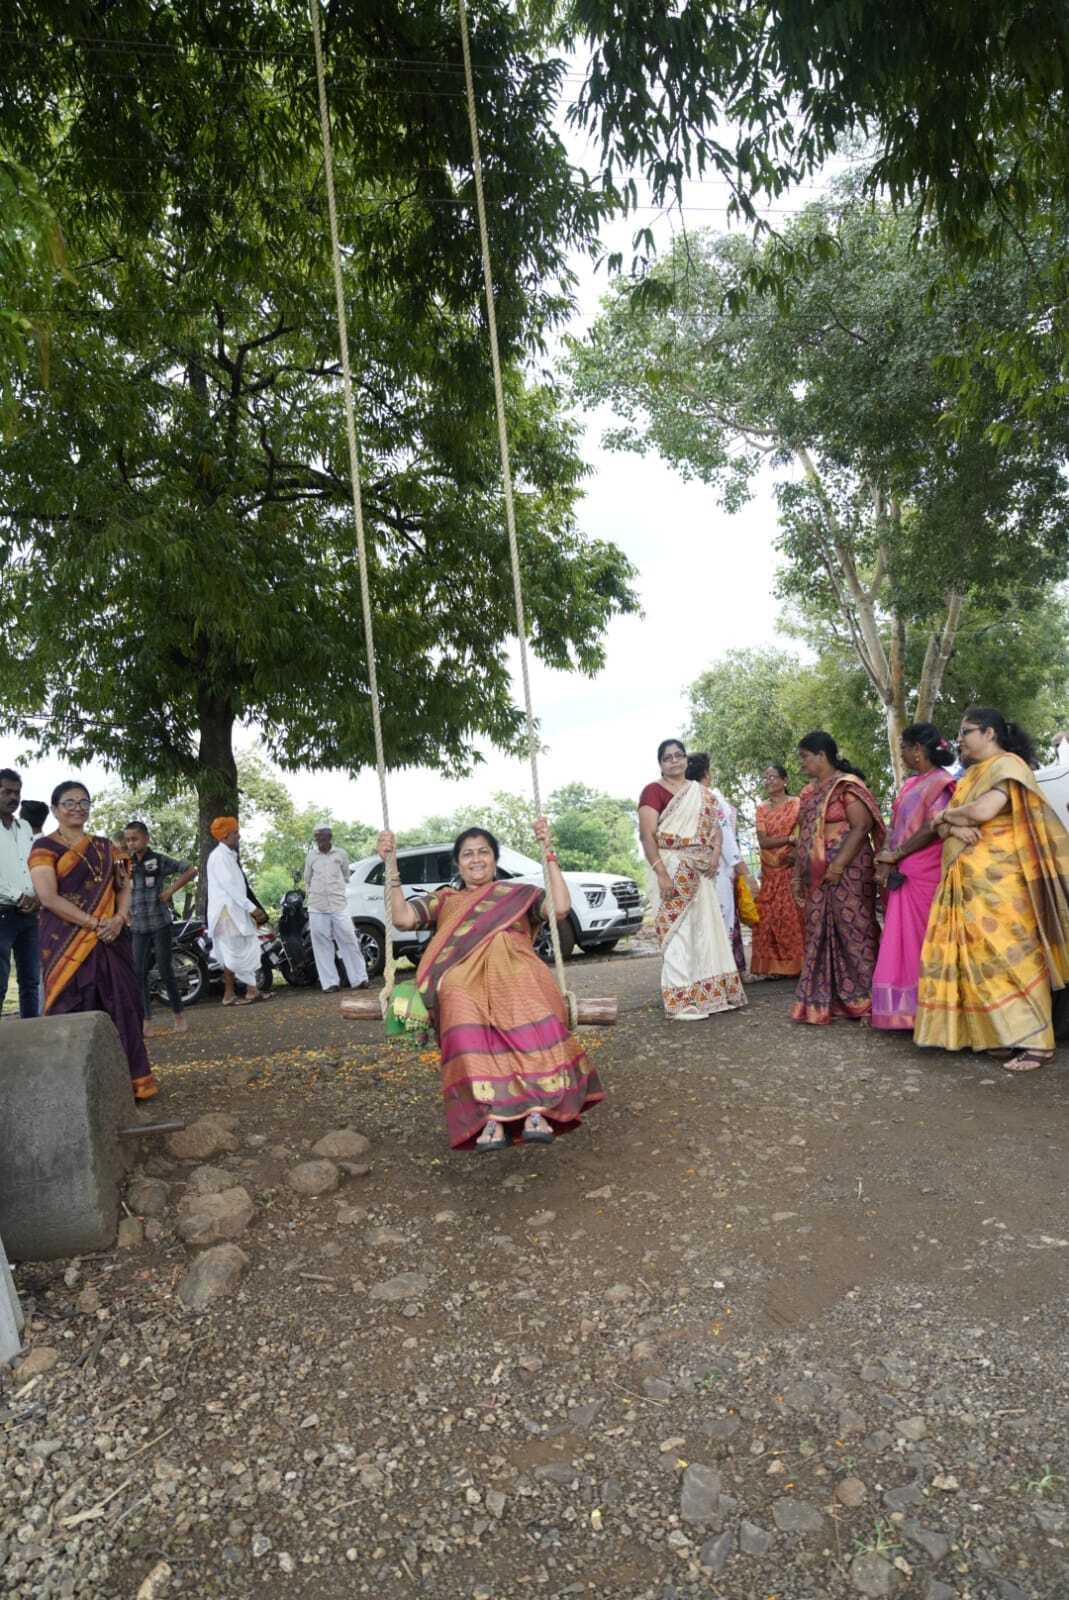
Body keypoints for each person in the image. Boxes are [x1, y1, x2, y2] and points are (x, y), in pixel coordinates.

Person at [376, 818, 603, 1150]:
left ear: (495, 859)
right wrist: (390, 867)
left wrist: (549, 852)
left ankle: (537, 1111)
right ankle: (491, 1118)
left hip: (516, 973)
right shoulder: (446, 899)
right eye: (467, 854)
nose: (476, 859)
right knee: (456, 1007)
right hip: (462, 979)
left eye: (483, 852)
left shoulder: (518, 895)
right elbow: (404, 918)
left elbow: (561, 908)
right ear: (458, 862)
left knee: (526, 1004)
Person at [916, 707, 1069, 1072]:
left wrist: (945, 817)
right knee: (979, 960)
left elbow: (984, 811)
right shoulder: (970, 775)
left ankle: (1037, 1042)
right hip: (967, 883)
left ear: (989, 733)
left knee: (1013, 956)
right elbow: (946, 824)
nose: (960, 739)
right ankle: (996, 1036)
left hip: (1005, 884)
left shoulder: (1009, 766)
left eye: (966, 731)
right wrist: (951, 825)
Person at [28, 781, 157, 1097]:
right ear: (56, 808)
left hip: (111, 939)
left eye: (84, 802)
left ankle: (132, 1083)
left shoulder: (106, 848)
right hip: (65, 942)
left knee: (124, 1005)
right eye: (69, 802)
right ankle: (75, 1090)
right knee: (73, 1008)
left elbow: (124, 885)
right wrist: (95, 922)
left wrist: (118, 917)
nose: (77, 808)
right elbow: (47, 897)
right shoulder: (44, 848)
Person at [639, 739, 746, 1019]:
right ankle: (679, 1003)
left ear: (686, 760)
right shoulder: (653, 791)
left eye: (678, 756)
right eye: (667, 758)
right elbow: (646, 835)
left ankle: (707, 995)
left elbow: (716, 828)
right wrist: (661, 873)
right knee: (677, 934)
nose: (674, 761)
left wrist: (714, 856)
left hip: (700, 870)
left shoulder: (701, 793)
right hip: (671, 866)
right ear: (660, 763)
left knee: (704, 932)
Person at [791, 731, 885, 1025]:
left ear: (822, 755)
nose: (802, 764)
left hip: (849, 872)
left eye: (805, 757)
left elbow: (861, 827)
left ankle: (869, 998)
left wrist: (838, 866)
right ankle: (830, 999)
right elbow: (803, 836)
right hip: (819, 878)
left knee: (855, 929)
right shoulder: (811, 792)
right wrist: (800, 874)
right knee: (821, 932)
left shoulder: (847, 786)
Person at [870, 725, 956, 1030]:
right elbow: (895, 824)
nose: (902, 753)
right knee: (902, 940)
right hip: (904, 869)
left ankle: (934, 1012)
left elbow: (934, 826)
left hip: (927, 870)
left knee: (925, 940)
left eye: (904, 747)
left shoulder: (942, 783)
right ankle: (906, 1013)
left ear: (918, 749)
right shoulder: (911, 785)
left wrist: (898, 853)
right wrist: (886, 857)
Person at [123, 820, 197, 1036]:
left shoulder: (158, 860)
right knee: (138, 972)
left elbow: (190, 870)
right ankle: (146, 1020)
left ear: (146, 839)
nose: (131, 844)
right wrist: (124, 912)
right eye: (128, 840)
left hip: (160, 923)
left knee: (165, 969)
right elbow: (119, 888)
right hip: (137, 926)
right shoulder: (125, 863)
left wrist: (170, 891)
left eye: (135, 839)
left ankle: (179, 1016)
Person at [684, 752, 748, 974]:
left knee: (701, 926)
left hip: (691, 870)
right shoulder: (712, 798)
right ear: (706, 774)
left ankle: (705, 976)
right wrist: (744, 872)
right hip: (717, 870)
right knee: (721, 923)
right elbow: (727, 839)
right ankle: (723, 978)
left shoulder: (682, 800)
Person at [206, 817, 271, 1007]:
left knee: (245, 948)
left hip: (235, 911)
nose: (239, 836)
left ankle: (250, 990)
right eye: (235, 833)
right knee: (233, 953)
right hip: (226, 914)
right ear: (225, 836)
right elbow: (230, 888)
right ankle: (232, 994)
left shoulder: (227, 855)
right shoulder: (218, 857)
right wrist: (253, 908)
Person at [750, 764, 805, 979]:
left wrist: (795, 849)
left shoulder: (797, 804)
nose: (769, 781)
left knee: (792, 915)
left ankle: (799, 964)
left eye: (773, 777)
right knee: (768, 915)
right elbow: (763, 841)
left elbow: (804, 833)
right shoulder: (761, 808)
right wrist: (790, 839)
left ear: (785, 780)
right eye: (765, 778)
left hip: (792, 866)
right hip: (770, 868)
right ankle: (774, 967)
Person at [304, 822, 367, 993]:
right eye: (317, 837)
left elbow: (346, 876)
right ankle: (330, 983)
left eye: (322, 837)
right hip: (317, 906)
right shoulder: (311, 856)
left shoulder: (341, 854)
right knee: (322, 944)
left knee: (349, 939)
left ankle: (359, 979)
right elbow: (307, 879)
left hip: (339, 904)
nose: (319, 840)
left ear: (329, 836)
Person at [0, 767, 41, 1018]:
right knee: (0, 983)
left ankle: (31, 1035)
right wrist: (19, 895)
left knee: (30, 982)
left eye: (16, 792)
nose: (13, 798)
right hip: (2, 914)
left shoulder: (25, 827)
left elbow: (34, 865)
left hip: (30, 916)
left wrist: (36, 896)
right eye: (6, 791)